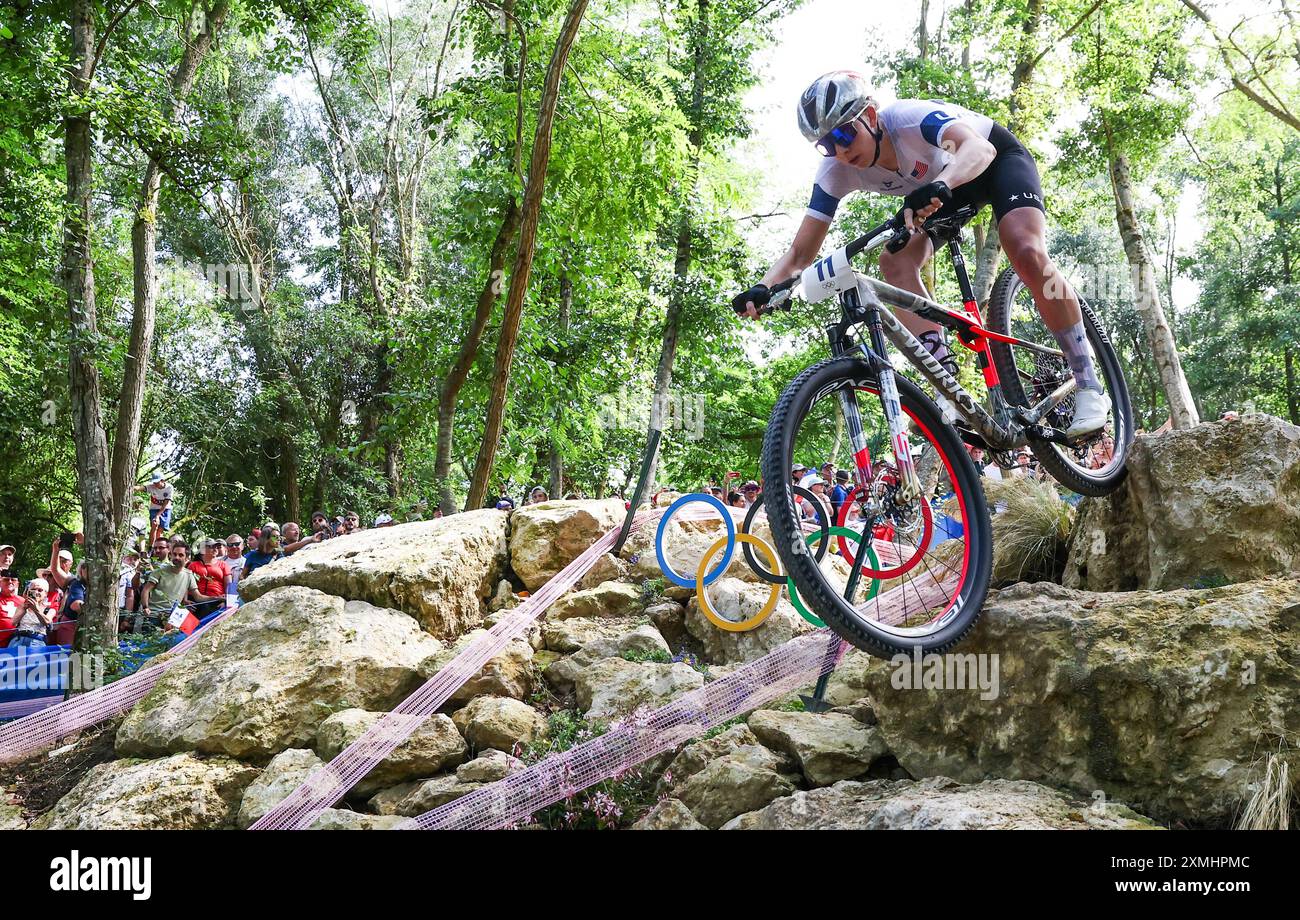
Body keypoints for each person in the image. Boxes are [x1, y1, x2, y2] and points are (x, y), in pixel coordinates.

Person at [732, 71, 1109, 439]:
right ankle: (950, 388)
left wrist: (942, 183)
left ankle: (1088, 380)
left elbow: (980, 148)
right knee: (894, 262)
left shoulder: (910, 119)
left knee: (1024, 249)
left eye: (845, 134)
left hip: (993, 163)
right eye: (827, 144)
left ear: (870, 116)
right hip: (940, 188)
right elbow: (801, 251)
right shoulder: (835, 171)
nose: (840, 151)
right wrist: (764, 287)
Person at [140, 541, 219, 628]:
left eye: (181, 555)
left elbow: (198, 597)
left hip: (174, 617)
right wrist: (145, 607)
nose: (176, 557)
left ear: (187, 558)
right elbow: (146, 590)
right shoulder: (159, 572)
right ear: (170, 555)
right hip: (154, 615)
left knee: (194, 629)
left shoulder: (189, 574)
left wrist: (217, 598)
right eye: (174, 554)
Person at [187, 540, 231, 619]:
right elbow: (186, 584)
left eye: (216, 547)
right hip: (196, 601)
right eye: (211, 547)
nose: (215, 549)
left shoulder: (223, 565)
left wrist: (226, 602)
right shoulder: (193, 565)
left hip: (218, 602)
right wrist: (185, 600)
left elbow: (230, 586)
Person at [10, 577, 52, 648]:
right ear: (28, 591)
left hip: (37, 641)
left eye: (40, 590)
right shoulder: (22, 606)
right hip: (18, 640)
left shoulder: (49, 608)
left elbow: (47, 622)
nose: (36, 592)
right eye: (33, 589)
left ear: (46, 593)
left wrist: (36, 609)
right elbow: (14, 622)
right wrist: (24, 608)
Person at [0, 568, 23, 646]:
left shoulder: (23, 601)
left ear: (17, 584)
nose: (10, 582)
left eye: (13, 580)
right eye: (6, 580)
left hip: (17, 642)